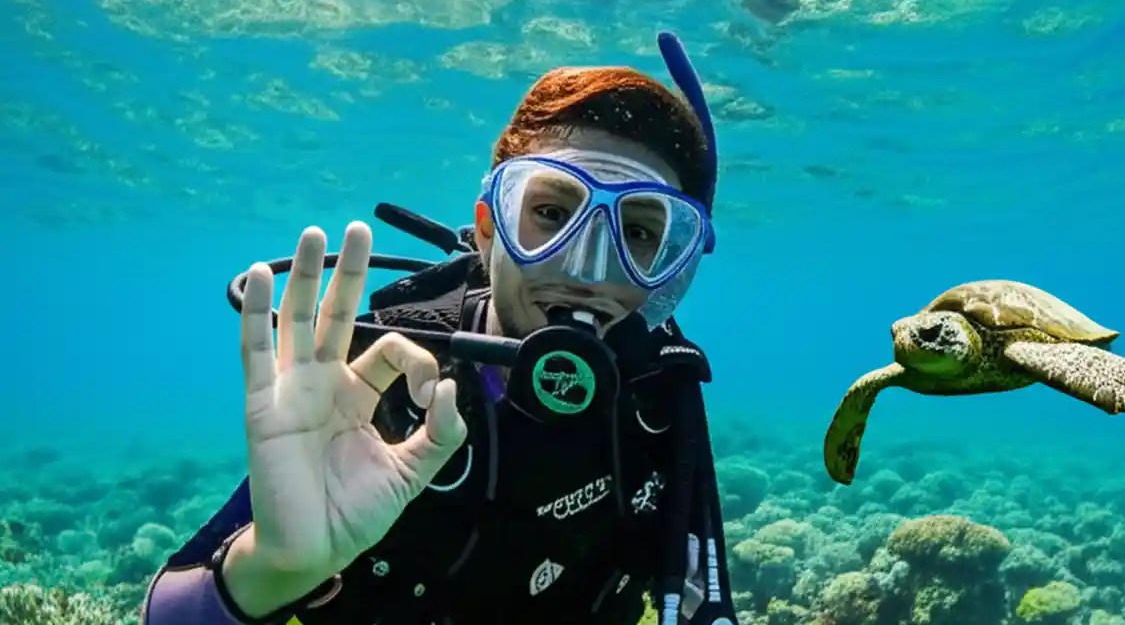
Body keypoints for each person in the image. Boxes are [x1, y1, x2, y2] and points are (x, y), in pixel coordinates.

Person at [140, 32, 740, 625]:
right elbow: (167, 615)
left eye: (638, 234)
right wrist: (273, 568)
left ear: (671, 267)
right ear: (487, 229)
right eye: (552, 214)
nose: (586, 272)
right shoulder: (376, 387)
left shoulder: (661, 389)